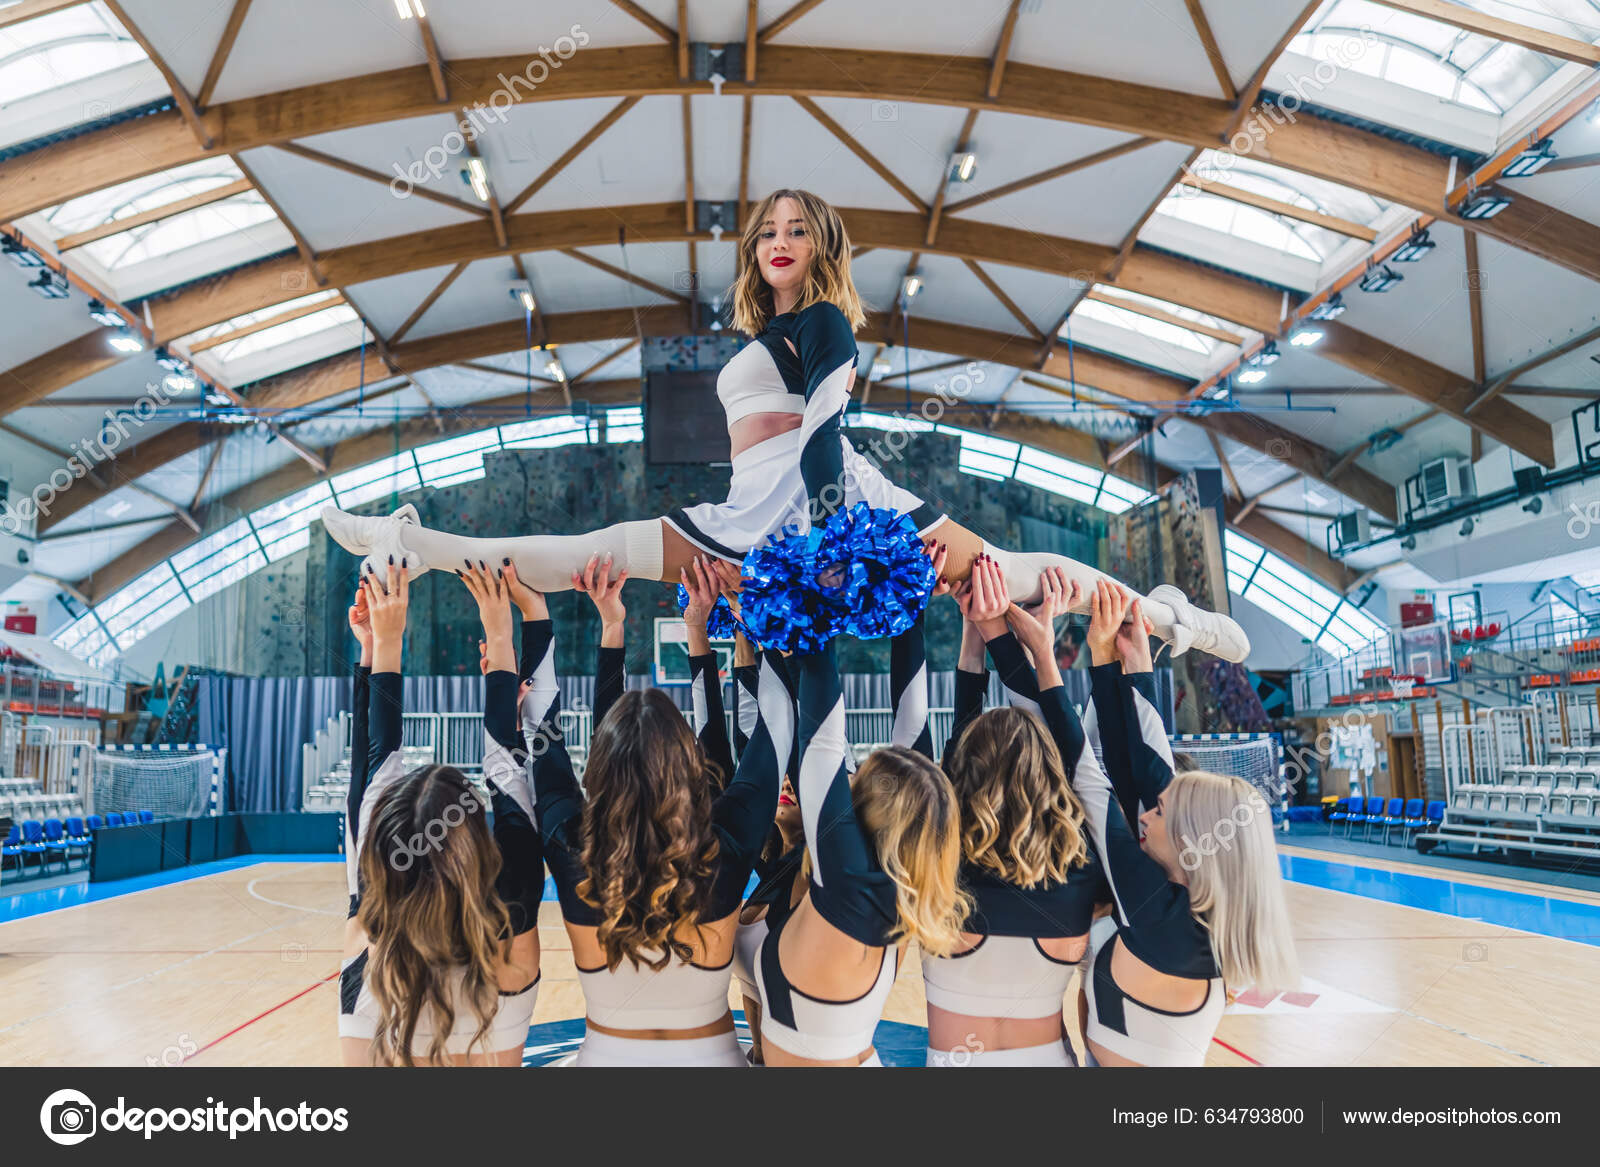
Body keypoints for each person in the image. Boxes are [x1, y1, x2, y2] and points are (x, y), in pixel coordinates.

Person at [318, 189, 1248, 664]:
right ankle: (417, 544)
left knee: (1019, 576)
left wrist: (829, 540)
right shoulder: (762, 331)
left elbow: (824, 434)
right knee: (582, 556)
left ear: (821, 246)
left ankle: (1170, 613)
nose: (778, 239)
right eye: (768, 227)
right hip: (746, 508)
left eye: (797, 228)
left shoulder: (826, 323)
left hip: (835, 504)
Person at [519, 553, 793, 1066]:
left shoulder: (571, 844)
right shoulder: (727, 841)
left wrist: (540, 611)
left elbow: (541, 727)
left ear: (597, 770)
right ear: (692, 769)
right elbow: (777, 722)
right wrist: (751, 608)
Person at [1071, 578, 1299, 1066]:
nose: (1151, 810)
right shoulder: (1189, 898)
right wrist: (1134, 661)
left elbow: (1097, 771)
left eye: (1163, 808)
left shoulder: (1161, 909)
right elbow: (1137, 766)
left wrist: (1101, 658)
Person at [338, 561, 543, 1066]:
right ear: (478, 848)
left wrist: (379, 646)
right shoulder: (511, 957)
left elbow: (370, 779)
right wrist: (499, 631)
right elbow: (508, 783)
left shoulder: (365, 950)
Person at [751, 604, 971, 1067]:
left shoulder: (845, 882)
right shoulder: (907, 882)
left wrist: (811, 608)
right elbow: (913, 733)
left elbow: (823, 739)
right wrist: (909, 607)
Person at [921, 560, 1102, 1067]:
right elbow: (1080, 765)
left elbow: (959, 760)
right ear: (1052, 780)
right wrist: (1030, 649)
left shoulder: (936, 862)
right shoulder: (1082, 870)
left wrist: (977, 632)